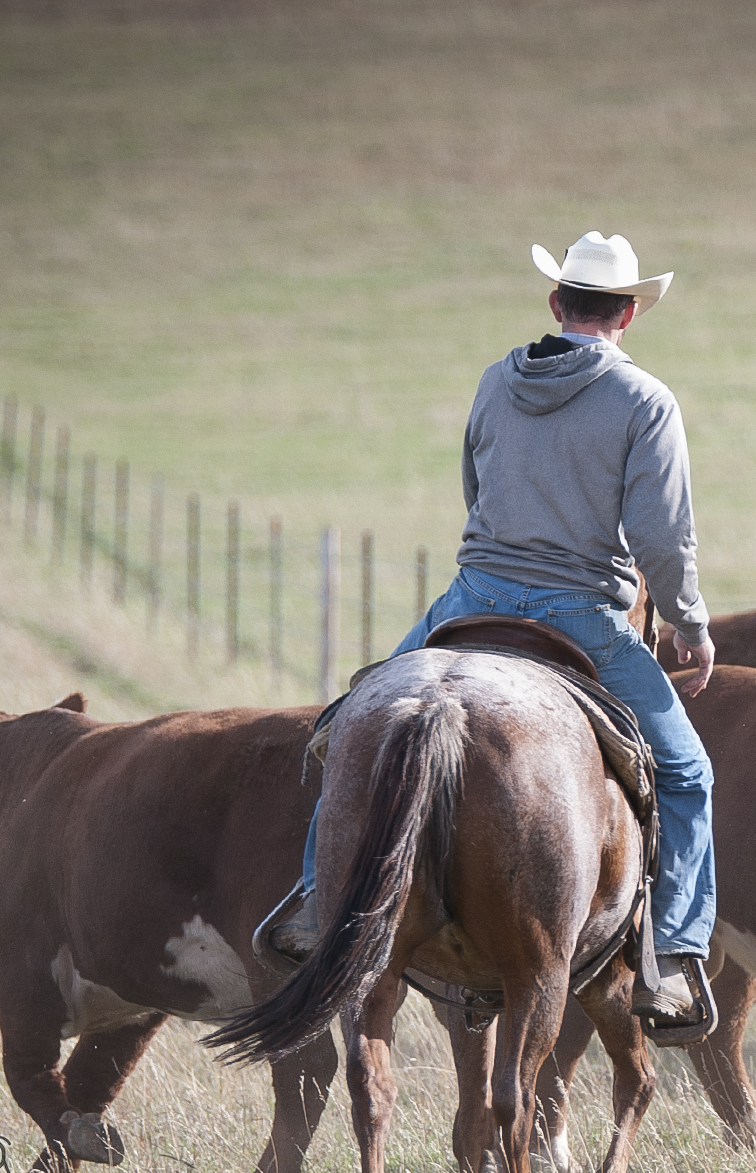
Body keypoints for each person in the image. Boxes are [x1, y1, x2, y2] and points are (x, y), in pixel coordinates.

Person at [260, 231, 717, 1026]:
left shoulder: (495, 383)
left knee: (344, 728)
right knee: (687, 777)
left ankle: (312, 902)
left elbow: (473, 486)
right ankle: (670, 958)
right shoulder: (646, 402)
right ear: (630, 315)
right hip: (585, 615)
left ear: (555, 305)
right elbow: (661, 537)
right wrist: (690, 624)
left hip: (472, 596)